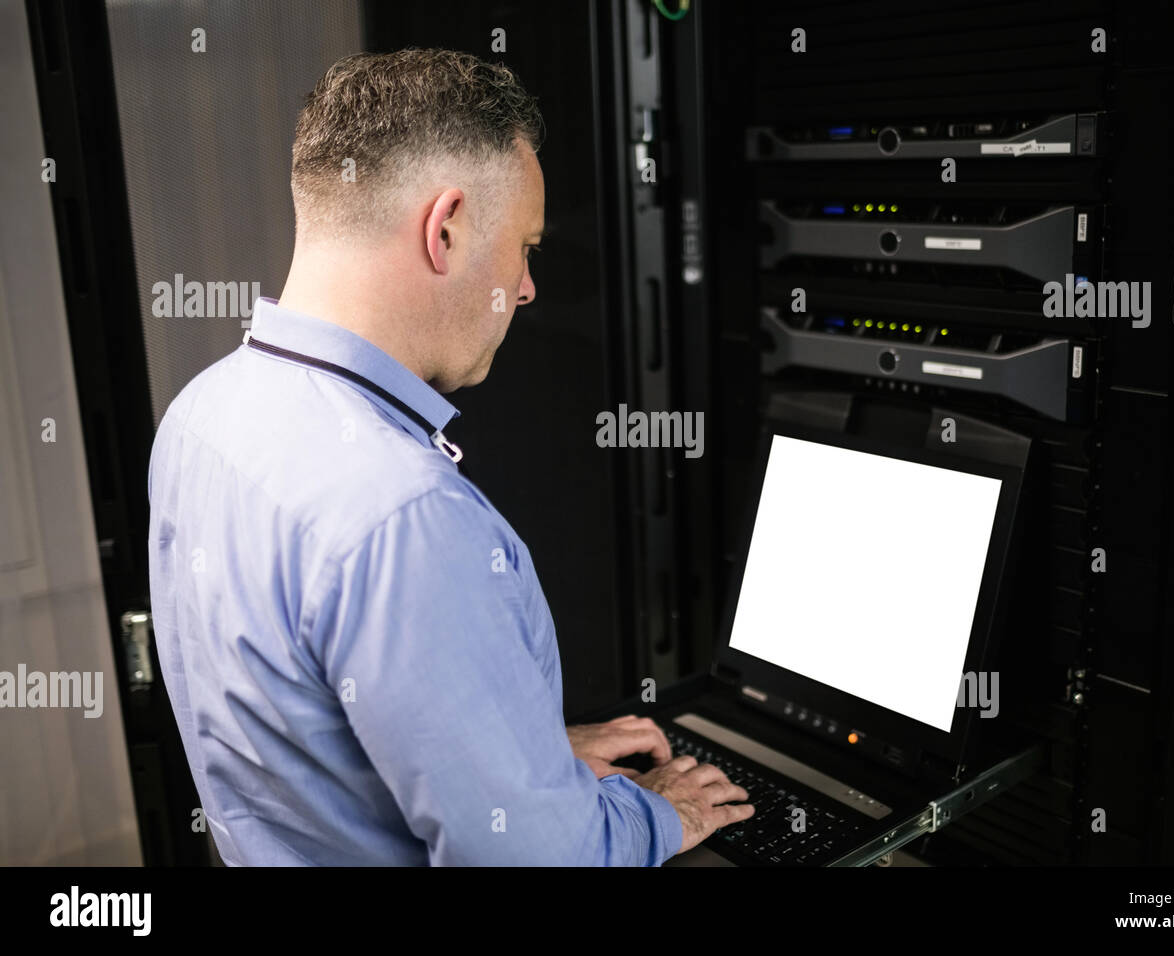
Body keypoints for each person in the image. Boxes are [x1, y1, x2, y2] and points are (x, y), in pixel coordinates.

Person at [146, 47, 752, 865]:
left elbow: (307, 741)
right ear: (448, 228)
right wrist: (648, 812)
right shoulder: (404, 513)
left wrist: (509, 758)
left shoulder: (201, 413)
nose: (529, 286)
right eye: (525, 246)